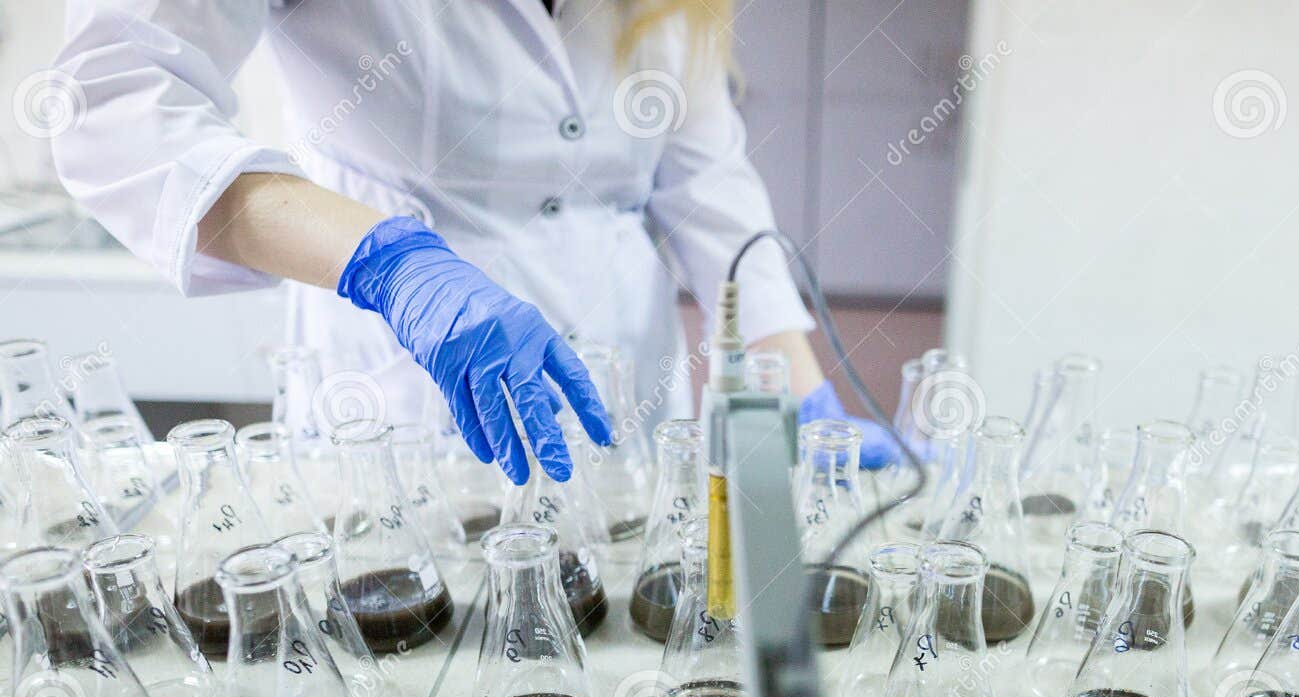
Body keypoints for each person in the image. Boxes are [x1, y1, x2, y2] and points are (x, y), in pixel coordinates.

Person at [52, 0, 896, 483]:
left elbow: (705, 173)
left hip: (627, 393)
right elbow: (113, 104)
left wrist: (799, 388)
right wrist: (391, 265)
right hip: (406, 409)